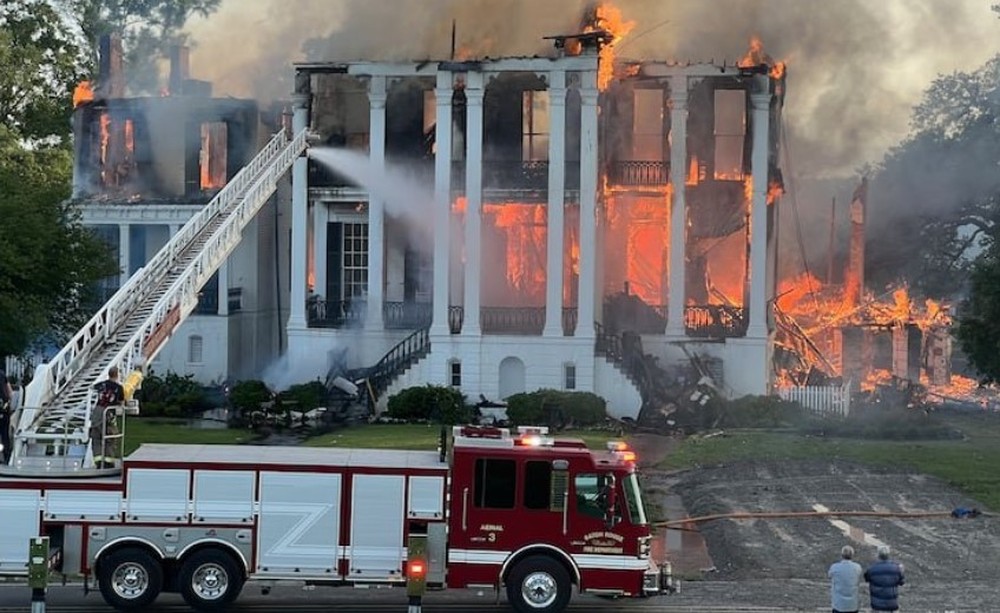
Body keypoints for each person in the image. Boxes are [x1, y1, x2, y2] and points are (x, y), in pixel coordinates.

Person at [91, 366, 125, 468]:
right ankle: (108, 462)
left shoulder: (101, 385)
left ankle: (98, 462)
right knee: (111, 437)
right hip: (108, 413)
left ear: (108, 374)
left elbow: (92, 389)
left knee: (96, 437)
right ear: (117, 375)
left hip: (96, 412)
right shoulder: (118, 388)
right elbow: (121, 402)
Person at [865, 545, 905, 612]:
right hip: (892, 604)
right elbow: (901, 582)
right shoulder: (896, 568)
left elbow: (867, 578)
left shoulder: (872, 569)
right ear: (888, 555)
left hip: (876, 605)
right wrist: (901, 572)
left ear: (878, 555)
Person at [828, 545, 863, 613]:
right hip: (853, 604)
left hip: (838, 604)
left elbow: (829, 575)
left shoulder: (835, 567)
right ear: (852, 555)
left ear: (842, 555)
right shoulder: (857, 567)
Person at [0, 370, 13, 464]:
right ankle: (7, 457)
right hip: (4, 409)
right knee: (5, 436)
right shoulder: (2, 374)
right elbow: (10, 393)